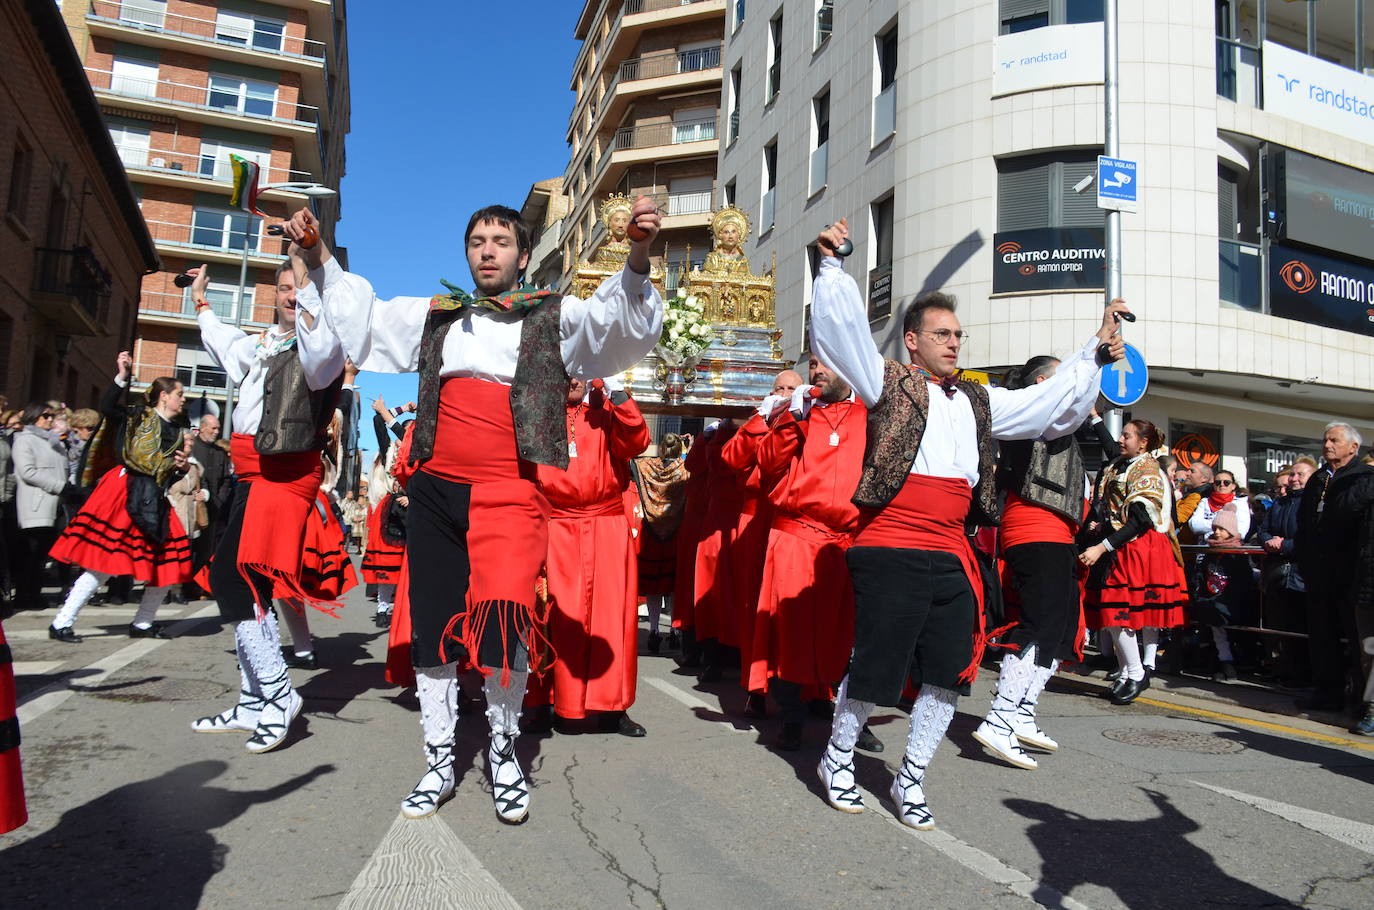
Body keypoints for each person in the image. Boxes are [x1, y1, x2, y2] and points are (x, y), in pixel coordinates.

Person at [308, 198, 662, 822]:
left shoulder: (554, 314)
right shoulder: (438, 314)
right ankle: (439, 758)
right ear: (468, 254)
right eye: (478, 241)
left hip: (512, 490)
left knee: (503, 623)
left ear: (523, 257)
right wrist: (315, 254)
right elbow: (362, 320)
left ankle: (503, 752)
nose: (488, 249)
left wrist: (637, 251)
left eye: (500, 240)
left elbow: (617, 330)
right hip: (438, 490)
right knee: (435, 629)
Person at [808, 218, 1122, 828]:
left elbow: (1046, 408)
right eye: (942, 334)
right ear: (912, 342)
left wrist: (1093, 351)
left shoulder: (977, 399)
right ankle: (838, 759)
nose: (954, 343)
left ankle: (912, 777)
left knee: (952, 668)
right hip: (892, 541)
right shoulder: (886, 381)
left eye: (959, 334)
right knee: (877, 665)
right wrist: (832, 268)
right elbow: (841, 335)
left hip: (952, 549)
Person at [186, 252, 345, 755]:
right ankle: (254, 699)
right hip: (247, 470)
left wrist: (315, 274)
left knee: (234, 578)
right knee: (245, 582)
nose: (290, 295)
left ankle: (277, 693)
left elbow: (319, 356)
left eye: (298, 287)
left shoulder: (320, 347)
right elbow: (225, 343)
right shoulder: (261, 343)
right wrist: (202, 304)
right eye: (283, 288)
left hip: (282, 473)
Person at [977, 354, 1096, 771]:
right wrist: (1096, 356)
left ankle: (1021, 712)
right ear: (1045, 381)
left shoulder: (1054, 413)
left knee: (1061, 629)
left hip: (1057, 529)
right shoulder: (1037, 410)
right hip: (1034, 525)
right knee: (1040, 624)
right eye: (1064, 375)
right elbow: (1074, 404)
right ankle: (1001, 716)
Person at [749, 355, 866, 751]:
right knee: (794, 633)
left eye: (827, 364)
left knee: (847, 633)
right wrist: (791, 421)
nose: (817, 372)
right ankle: (792, 717)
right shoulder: (798, 414)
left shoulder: (870, 412)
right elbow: (766, 464)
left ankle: (852, 716)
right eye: (814, 363)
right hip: (797, 533)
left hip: (848, 538)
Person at [528, 376, 650, 736]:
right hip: (556, 523)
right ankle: (540, 703)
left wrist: (620, 396)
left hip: (606, 524)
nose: (573, 378)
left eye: (580, 368)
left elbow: (638, 442)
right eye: (565, 369)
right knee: (551, 614)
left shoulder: (606, 410)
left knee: (612, 619)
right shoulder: (536, 414)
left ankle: (612, 708)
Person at [48, 357, 193, 641]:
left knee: (167, 562)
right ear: (164, 396)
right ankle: (62, 621)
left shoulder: (177, 430)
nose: (183, 400)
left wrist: (183, 469)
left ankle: (143, 623)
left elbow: (168, 473)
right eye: (179, 394)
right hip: (123, 492)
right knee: (104, 561)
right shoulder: (137, 415)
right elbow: (107, 408)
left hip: (153, 496)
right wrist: (122, 376)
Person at [1080, 420, 1189, 705]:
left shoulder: (1149, 470)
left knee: (1120, 613)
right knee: (1115, 614)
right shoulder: (1121, 464)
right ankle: (1131, 670)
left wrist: (1101, 547)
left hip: (1139, 548)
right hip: (1122, 546)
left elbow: (1140, 520)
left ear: (1142, 442)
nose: (1119, 439)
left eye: (1126, 435)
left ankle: (1137, 671)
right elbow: (1113, 507)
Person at [719, 369, 802, 706]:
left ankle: (804, 687)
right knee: (756, 607)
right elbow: (732, 459)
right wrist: (760, 420)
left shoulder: (806, 419)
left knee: (795, 609)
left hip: (791, 522)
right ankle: (755, 686)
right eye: (779, 388)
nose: (784, 394)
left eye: (791, 389)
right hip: (755, 522)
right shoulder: (761, 421)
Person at [1296, 422, 1374, 722]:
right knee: (1321, 634)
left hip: (1349, 571)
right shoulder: (1318, 479)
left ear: (1353, 447)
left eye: (1334, 440)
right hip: (1318, 571)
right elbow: (1305, 523)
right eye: (1325, 440)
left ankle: (1358, 698)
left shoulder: (1362, 477)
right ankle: (1327, 691)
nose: (1327, 445)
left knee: (1356, 640)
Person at [10, 404, 74, 612]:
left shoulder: (54, 442)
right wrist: (59, 486)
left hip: (55, 504)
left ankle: (34, 594)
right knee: (29, 552)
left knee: (41, 554)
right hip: (34, 503)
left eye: (51, 416)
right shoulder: (24, 440)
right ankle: (23, 595)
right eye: (45, 416)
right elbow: (27, 472)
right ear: (34, 417)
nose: (49, 419)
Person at [1257, 458, 1314, 687]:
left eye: (1301, 475)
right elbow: (1263, 530)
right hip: (1276, 573)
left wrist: (1286, 545)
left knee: (1301, 626)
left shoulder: (1313, 503)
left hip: (1301, 575)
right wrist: (1269, 541)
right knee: (1279, 625)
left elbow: (1312, 537)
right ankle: (1283, 671)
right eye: (1293, 474)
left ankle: (1303, 675)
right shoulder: (1280, 504)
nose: (1295, 479)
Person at [633, 433, 689, 654]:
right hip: (676, 532)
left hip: (652, 532)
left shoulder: (647, 467)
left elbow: (633, 459)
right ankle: (675, 631)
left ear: (662, 449)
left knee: (654, 588)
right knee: (673, 587)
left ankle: (654, 629)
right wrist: (686, 450)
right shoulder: (684, 469)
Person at [187, 414, 232, 599]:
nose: (216, 432)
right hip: (192, 507)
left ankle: (199, 586)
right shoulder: (193, 448)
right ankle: (184, 586)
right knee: (189, 548)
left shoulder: (220, 452)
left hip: (213, 508)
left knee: (207, 551)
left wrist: (219, 500)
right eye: (213, 428)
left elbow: (226, 480)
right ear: (203, 427)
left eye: (218, 428)